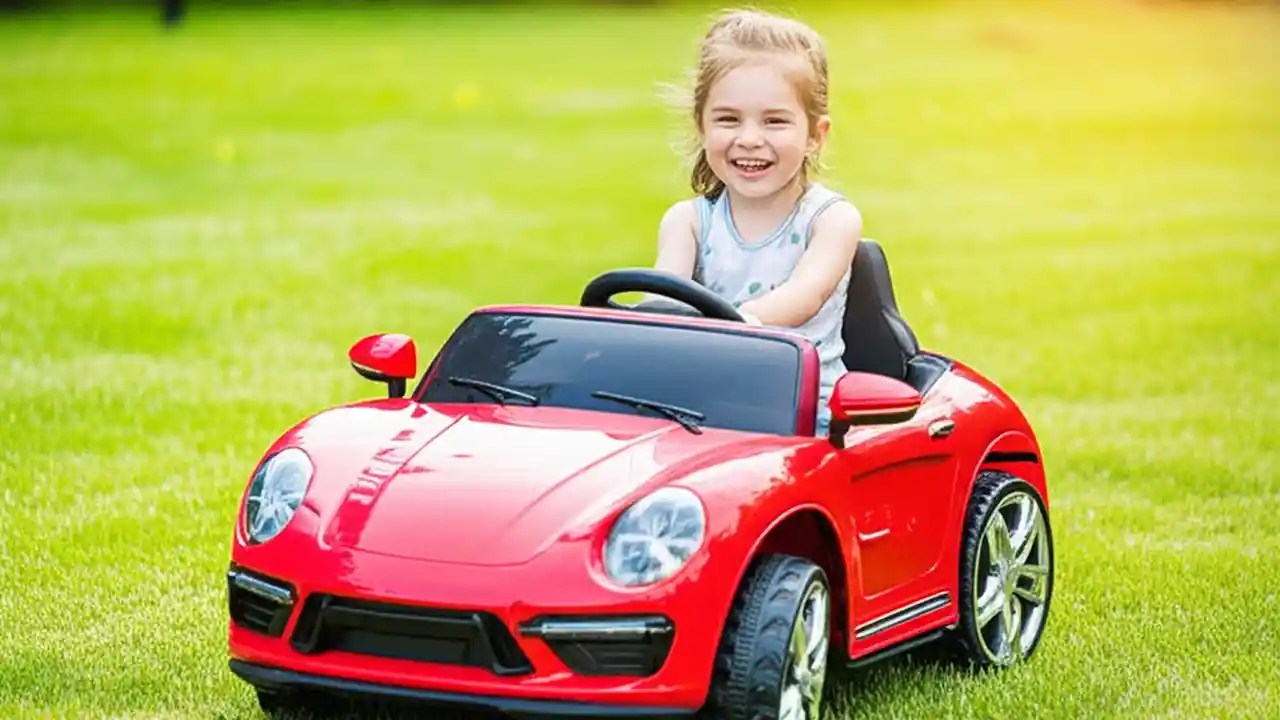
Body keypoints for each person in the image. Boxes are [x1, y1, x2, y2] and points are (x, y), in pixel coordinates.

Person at [652, 8, 863, 438]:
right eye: (728, 119)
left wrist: (735, 324)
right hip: (700, 406)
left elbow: (802, 298)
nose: (749, 138)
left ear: (814, 136)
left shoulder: (830, 221)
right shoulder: (688, 222)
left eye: (774, 121)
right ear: (702, 126)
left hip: (805, 416)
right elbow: (664, 306)